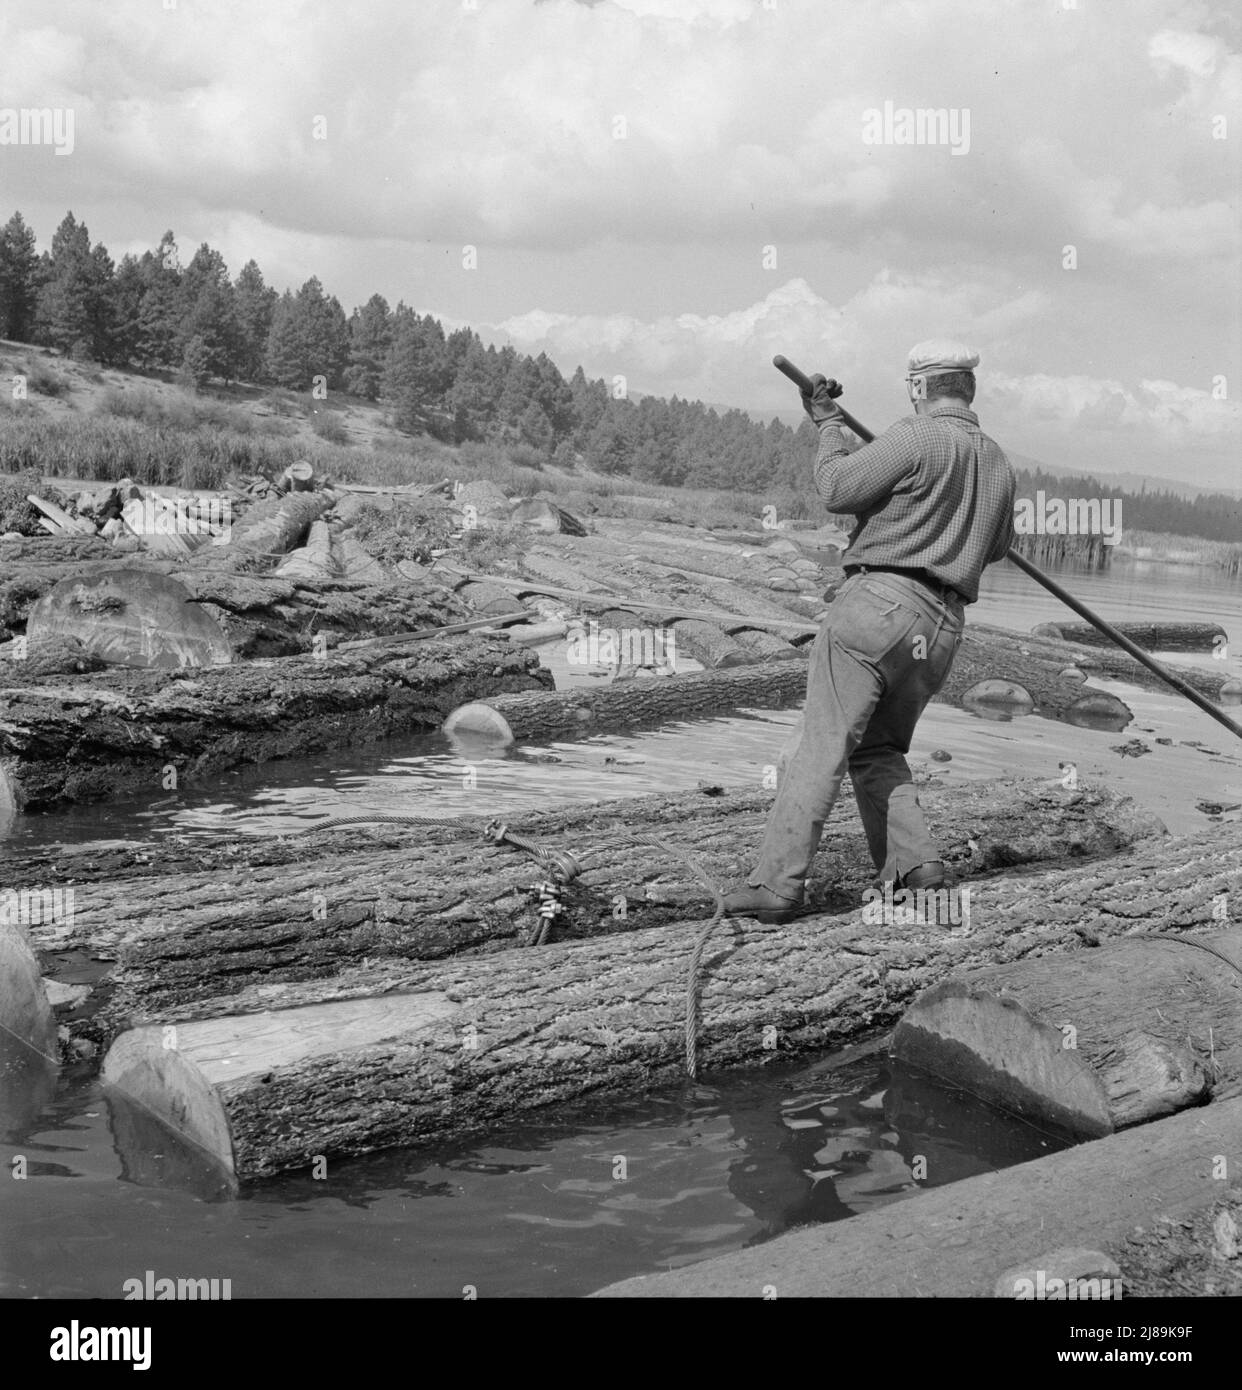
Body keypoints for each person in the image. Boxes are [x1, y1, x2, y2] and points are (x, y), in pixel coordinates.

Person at [723, 340, 1017, 924]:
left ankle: (777, 886)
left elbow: (836, 490)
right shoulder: (1001, 463)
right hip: (941, 628)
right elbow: (999, 548)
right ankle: (914, 869)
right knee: (880, 748)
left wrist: (828, 423)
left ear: (918, 388)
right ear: (969, 390)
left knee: (823, 746)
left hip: (879, 607)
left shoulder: (913, 435)